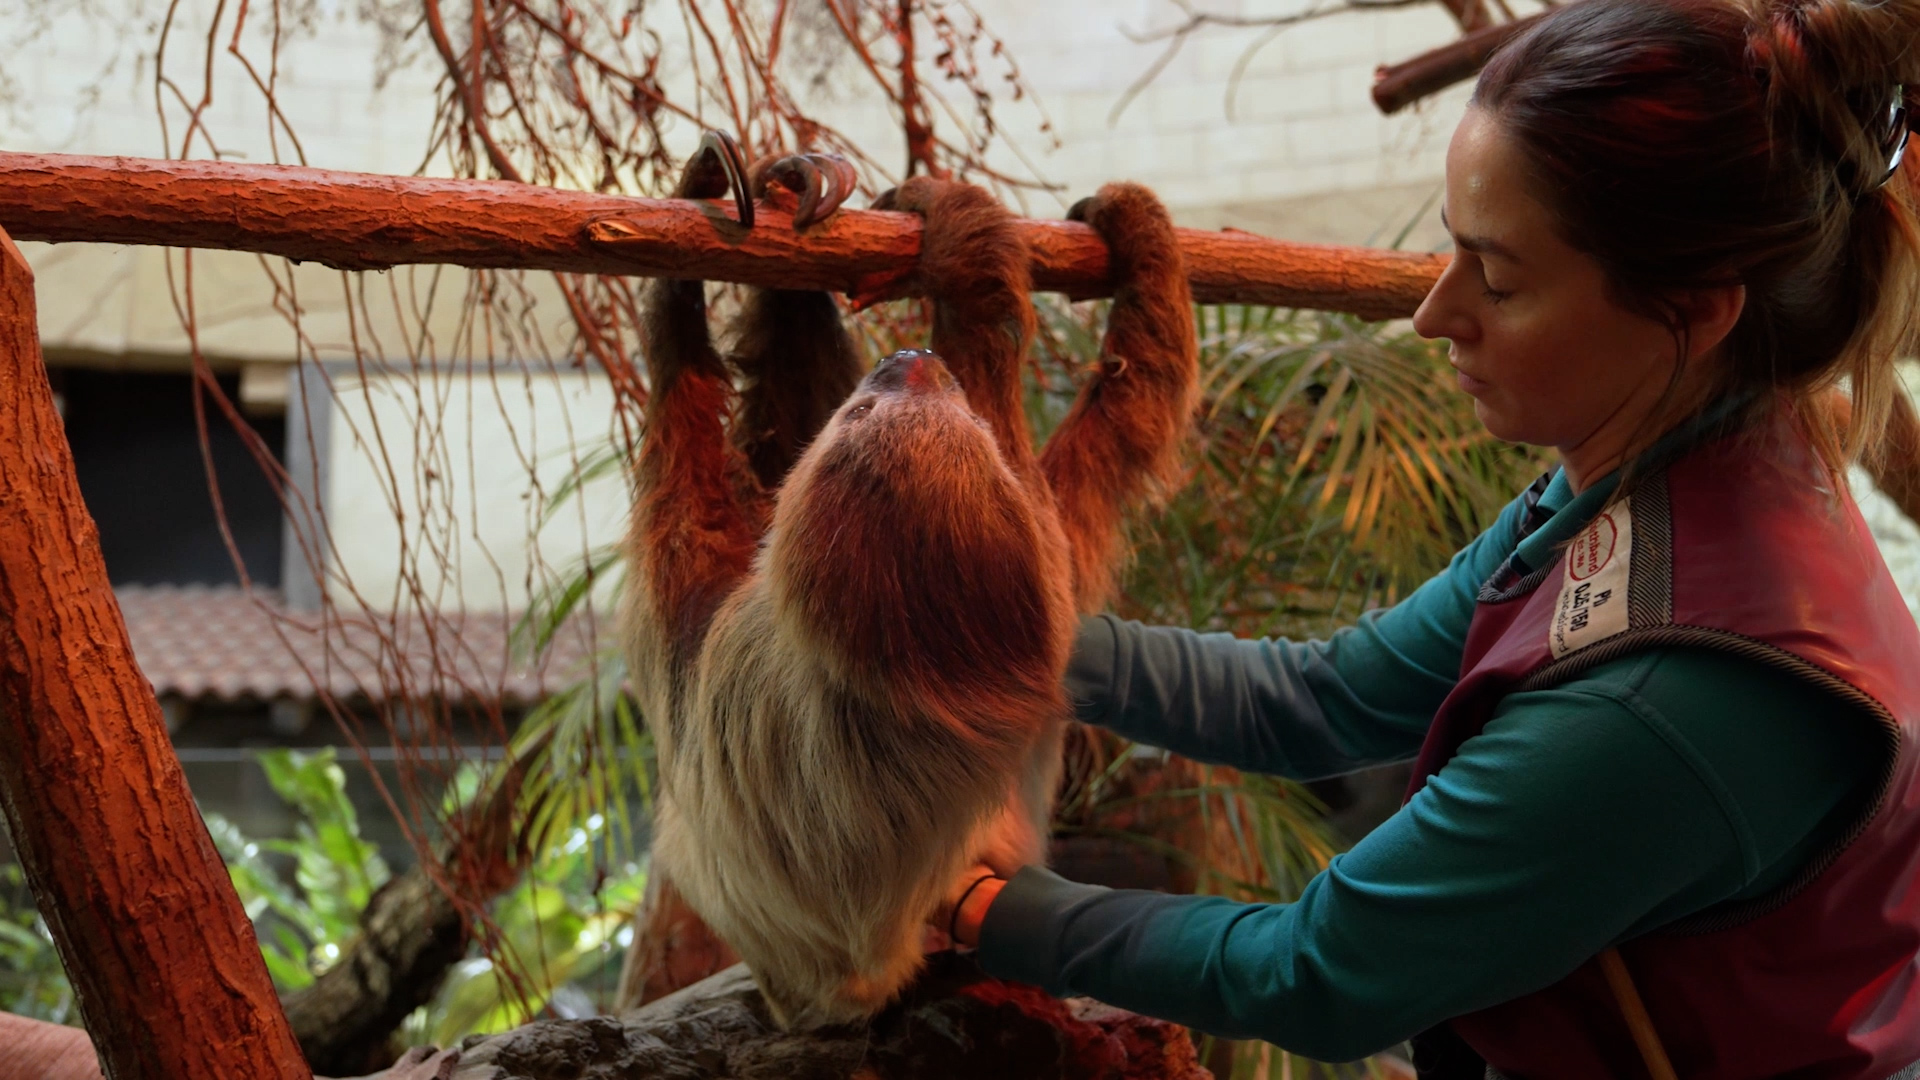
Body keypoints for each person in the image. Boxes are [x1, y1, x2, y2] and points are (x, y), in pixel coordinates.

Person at [938, 0, 1920, 1076]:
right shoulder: (1681, 467)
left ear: (1695, 308)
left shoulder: (1676, 697)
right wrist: (1000, 643)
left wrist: (973, 902)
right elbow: (1329, 697)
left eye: (1498, 278)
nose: (1434, 312)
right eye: (1453, 250)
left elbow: (1318, 971)